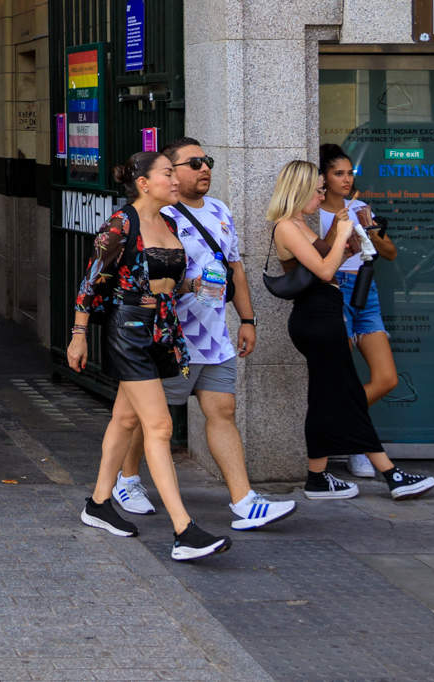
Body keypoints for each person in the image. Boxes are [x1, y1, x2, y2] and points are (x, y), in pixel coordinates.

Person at [110, 138, 295, 531]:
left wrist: (247, 319)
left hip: (214, 335)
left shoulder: (220, 211)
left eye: (206, 161)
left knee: (222, 411)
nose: (204, 168)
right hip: (169, 334)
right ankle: (127, 480)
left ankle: (244, 500)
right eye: (193, 163)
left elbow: (235, 269)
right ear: (169, 172)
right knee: (146, 418)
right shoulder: (158, 217)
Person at [67, 151, 232, 562]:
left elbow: (165, 283)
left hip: (163, 330)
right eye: (168, 174)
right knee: (158, 426)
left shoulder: (171, 221)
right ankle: (183, 529)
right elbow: (91, 282)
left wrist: (195, 284)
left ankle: (99, 503)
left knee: (125, 419)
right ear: (143, 182)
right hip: (130, 331)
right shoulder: (121, 225)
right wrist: (78, 335)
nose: (176, 180)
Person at [269, 160, 434, 501]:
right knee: (344, 395)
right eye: (316, 192)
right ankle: (391, 474)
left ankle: (318, 478)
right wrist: (342, 235)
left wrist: (349, 235)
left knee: (326, 397)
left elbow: (329, 253)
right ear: (299, 191)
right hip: (316, 319)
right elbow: (324, 270)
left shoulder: (301, 224)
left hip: (324, 315)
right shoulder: (286, 226)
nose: (320, 197)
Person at [317, 143, 400, 479]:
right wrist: (338, 230)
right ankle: (360, 446)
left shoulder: (361, 207)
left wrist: (369, 229)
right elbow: (318, 258)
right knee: (345, 379)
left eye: (350, 173)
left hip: (367, 291)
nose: (347, 179)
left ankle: (335, 427)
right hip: (335, 291)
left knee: (386, 378)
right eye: (339, 173)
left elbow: (390, 253)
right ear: (323, 177)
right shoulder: (315, 212)